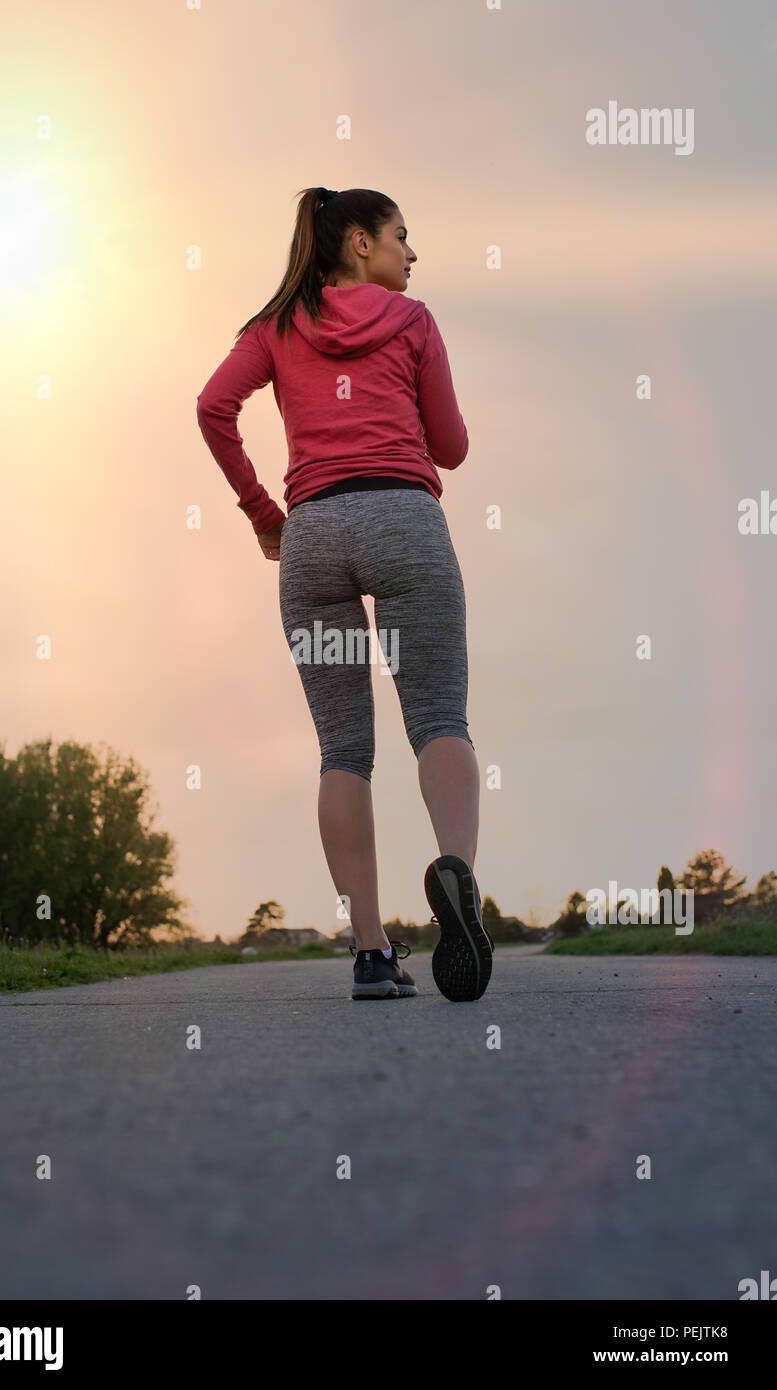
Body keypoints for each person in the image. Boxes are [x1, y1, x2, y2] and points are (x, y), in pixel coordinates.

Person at [196, 186, 494, 1002]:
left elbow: (214, 407)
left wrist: (265, 513)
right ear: (360, 242)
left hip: (314, 537)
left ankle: (369, 952)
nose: (412, 253)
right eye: (403, 236)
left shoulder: (278, 324)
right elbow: (455, 448)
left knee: (342, 748)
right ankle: (458, 876)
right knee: (437, 718)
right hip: (404, 519)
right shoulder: (415, 321)